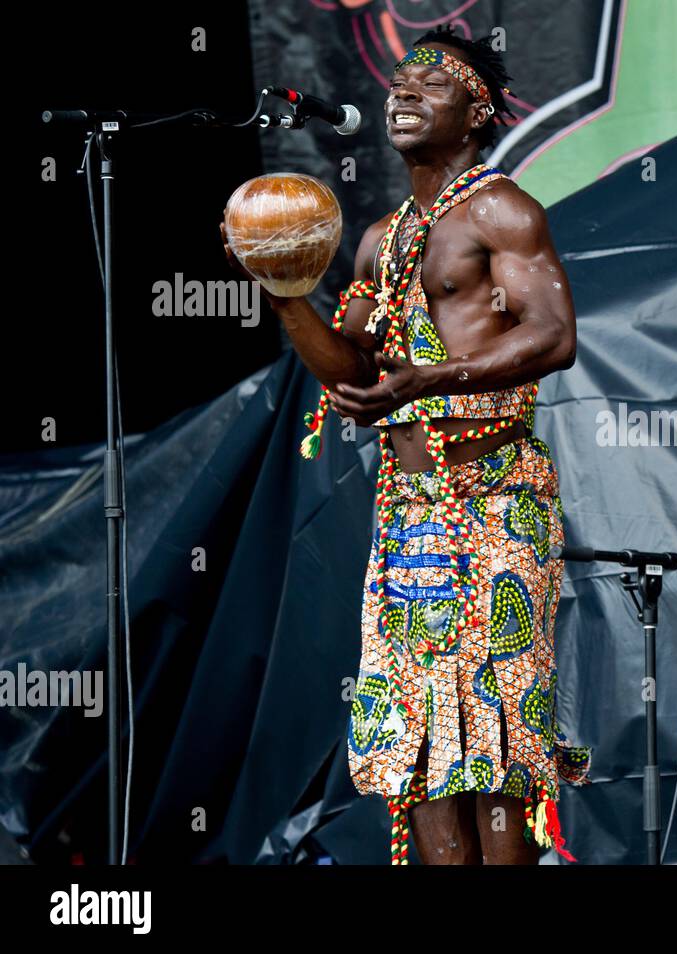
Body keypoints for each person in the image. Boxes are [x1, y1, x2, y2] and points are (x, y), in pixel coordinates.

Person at [223, 26, 589, 865]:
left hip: (495, 498)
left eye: (434, 81)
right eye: (400, 79)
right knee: (418, 750)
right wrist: (284, 296)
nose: (406, 91)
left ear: (479, 111)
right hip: (408, 511)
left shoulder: (502, 209)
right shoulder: (381, 239)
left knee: (497, 748)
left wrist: (431, 379)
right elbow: (351, 378)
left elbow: (555, 334)